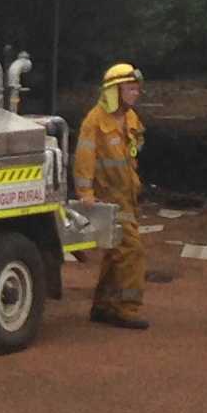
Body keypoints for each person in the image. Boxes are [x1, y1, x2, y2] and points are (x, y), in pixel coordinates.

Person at [73, 61, 149, 331]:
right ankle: (126, 308)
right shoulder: (94, 121)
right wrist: (85, 193)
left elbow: (135, 148)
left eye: (136, 89)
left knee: (116, 252)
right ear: (114, 91)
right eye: (130, 89)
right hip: (109, 198)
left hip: (128, 196)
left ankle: (104, 305)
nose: (135, 93)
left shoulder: (131, 118)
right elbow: (84, 159)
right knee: (131, 251)